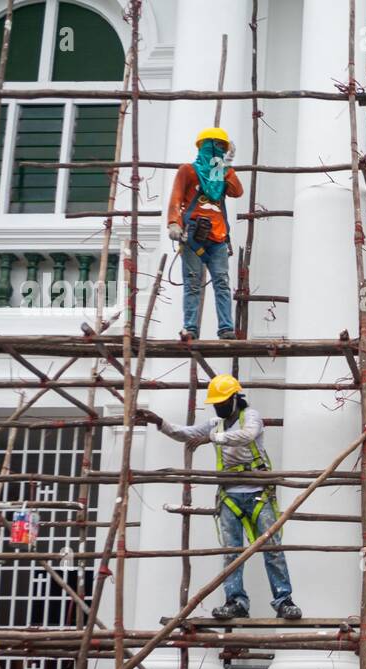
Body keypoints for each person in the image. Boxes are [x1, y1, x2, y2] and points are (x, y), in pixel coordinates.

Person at [136, 374, 303, 620]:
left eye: (223, 402)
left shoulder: (251, 417)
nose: (219, 407)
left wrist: (213, 437)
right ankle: (236, 600)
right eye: (216, 403)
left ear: (235, 398)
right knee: (231, 552)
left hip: (259, 494)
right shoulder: (216, 424)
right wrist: (160, 422)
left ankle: (283, 600)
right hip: (230, 497)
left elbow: (247, 435)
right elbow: (186, 433)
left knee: (273, 548)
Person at [167, 127, 243, 342]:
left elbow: (237, 191)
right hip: (193, 236)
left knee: (222, 282)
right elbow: (176, 197)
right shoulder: (188, 171)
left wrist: (227, 167)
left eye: (222, 147)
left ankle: (226, 328)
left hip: (217, 237)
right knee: (192, 282)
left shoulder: (221, 175)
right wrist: (174, 223)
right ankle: (190, 327)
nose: (217, 150)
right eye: (215, 146)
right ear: (204, 146)